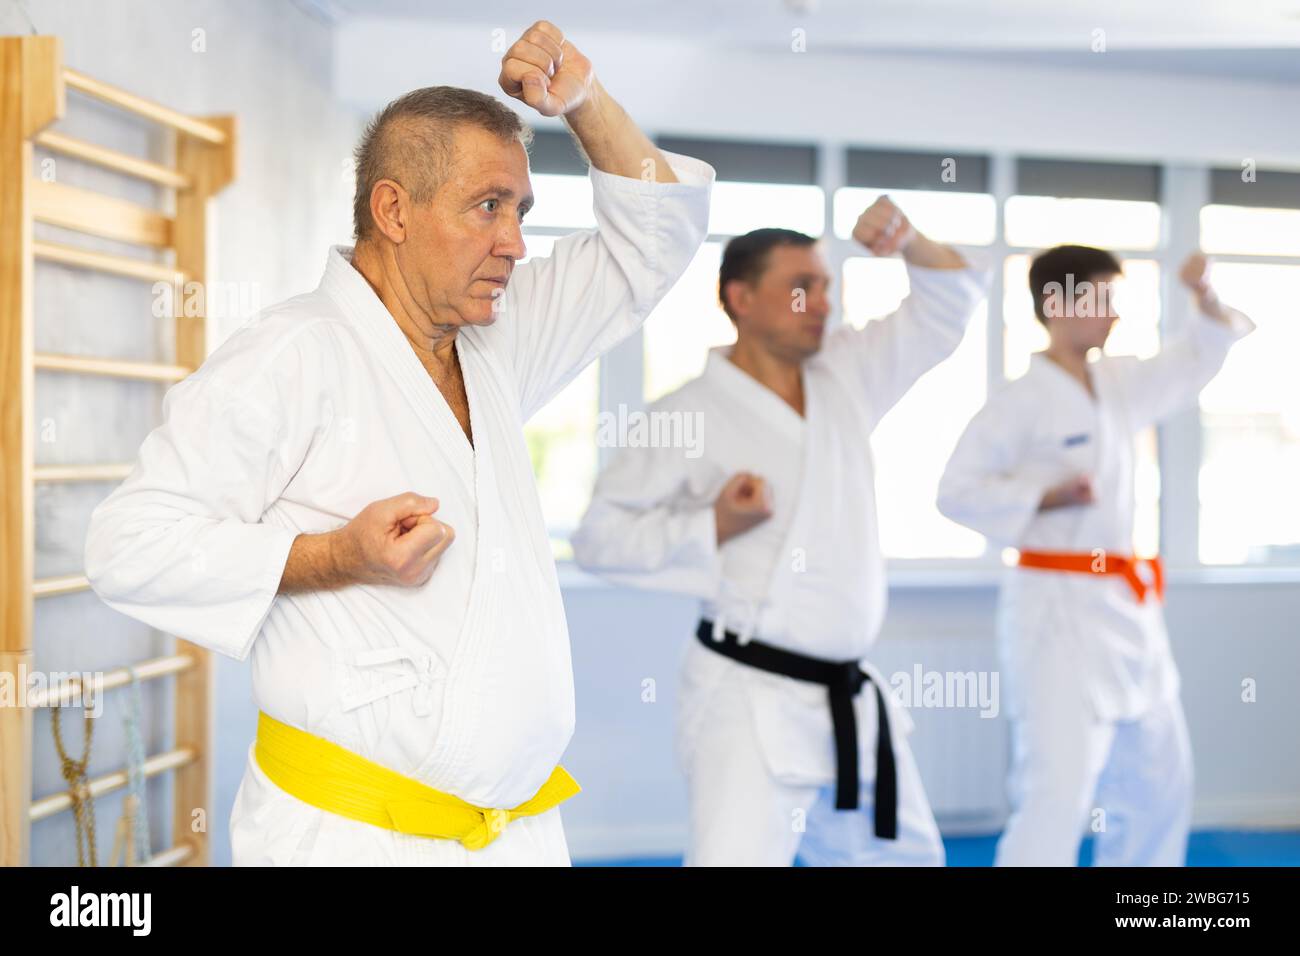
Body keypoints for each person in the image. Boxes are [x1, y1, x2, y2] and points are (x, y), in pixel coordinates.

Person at [84, 20, 714, 866]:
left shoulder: (499, 337)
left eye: (521, 211)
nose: (514, 242)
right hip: (353, 836)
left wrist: (585, 101)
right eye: (487, 207)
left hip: (511, 833)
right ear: (393, 211)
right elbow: (126, 547)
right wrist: (335, 557)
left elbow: (657, 240)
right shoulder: (291, 354)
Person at [571, 198, 988, 865]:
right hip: (747, 698)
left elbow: (951, 302)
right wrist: (715, 523)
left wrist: (908, 239)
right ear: (741, 298)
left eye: (825, 286)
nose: (822, 302)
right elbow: (599, 538)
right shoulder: (687, 414)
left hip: (849, 699)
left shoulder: (848, 372)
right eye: (801, 288)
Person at [937, 246, 1254, 866]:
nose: (1113, 316)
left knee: (1160, 779)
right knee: (1058, 790)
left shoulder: (1119, 383)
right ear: (1056, 305)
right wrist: (1044, 495)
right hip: (1055, 611)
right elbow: (955, 493)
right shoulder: (1018, 401)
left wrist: (1205, 296)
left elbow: (1198, 357)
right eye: (1102, 300)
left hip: (1127, 605)